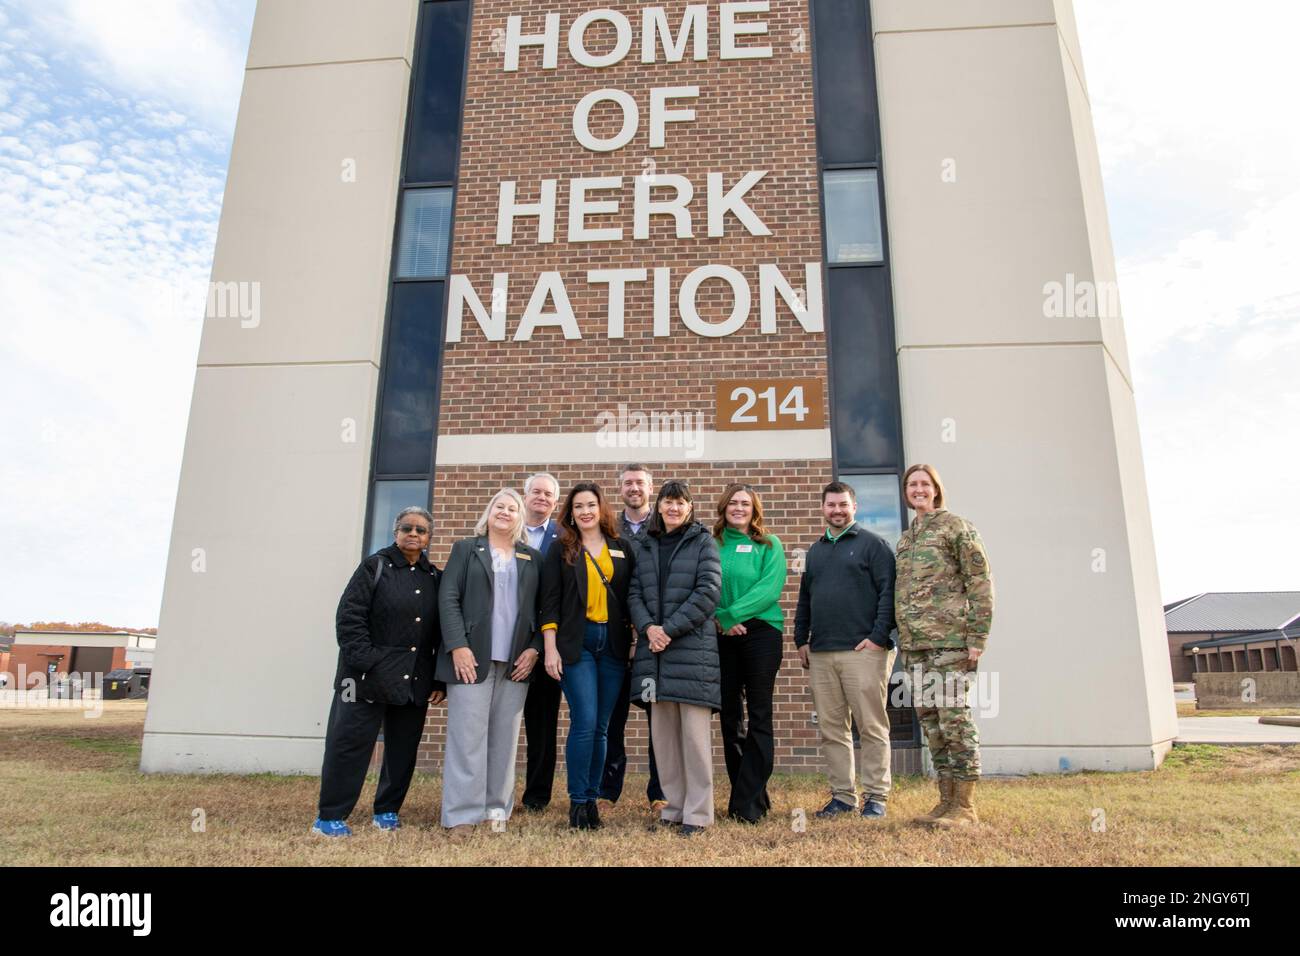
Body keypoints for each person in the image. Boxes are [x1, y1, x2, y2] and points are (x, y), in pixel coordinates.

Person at [312, 506, 445, 837]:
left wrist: (439, 678)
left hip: (414, 680)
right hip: (363, 680)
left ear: (429, 537)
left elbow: (442, 632)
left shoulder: (435, 578)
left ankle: (387, 811)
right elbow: (350, 617)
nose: (413, 534)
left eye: (421, 530)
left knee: (402, 749)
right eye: (407, 528)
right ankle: (329, 817)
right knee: (349, 745)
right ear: (396, 532)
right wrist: (367, 661)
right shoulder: (375, 566)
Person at [437, 488, 542, 837]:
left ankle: (496, 809)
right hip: (472, 656)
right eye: (500, 505)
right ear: (489, 511)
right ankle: (462, 815)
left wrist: (535, 648)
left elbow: (545, 610)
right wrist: (457, 646)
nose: (505, 512)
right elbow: (448, 598)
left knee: (504, 738)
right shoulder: (466, 550)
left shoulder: (531, 557)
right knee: (467, 737)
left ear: (520, 517)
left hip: (515, 661)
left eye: (513, 508)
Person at [895, 463, 994, 828]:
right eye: (912, 484)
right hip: (915, 646)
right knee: (932, 724)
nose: (918, 489)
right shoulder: (907, 539)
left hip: (950, 644)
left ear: (936, 489)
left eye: (924, 483)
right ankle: (945, 801)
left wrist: (976, 638)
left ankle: (965, 807)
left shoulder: (957, 527)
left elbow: (980, 583)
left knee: (956, 721)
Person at [794, 481, 897, 821]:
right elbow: (805, 598)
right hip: (822, 652)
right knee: (832, 729)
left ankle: (876, 797)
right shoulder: (816, 551)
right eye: (831, 505)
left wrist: (878, 637)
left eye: (843, 505)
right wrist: (801, 639)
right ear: (823, 509)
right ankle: (842, 797)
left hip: (864, 650)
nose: (837, 510)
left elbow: (888, 594)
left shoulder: (874, 546)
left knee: (871, 726)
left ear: (855, 507)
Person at [628, 480, 721, 836]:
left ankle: (698, 814)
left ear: (690, 507)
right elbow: (634, 592)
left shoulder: (703, 542)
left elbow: (708, 592)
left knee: (694, 740)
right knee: (663, 739)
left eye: (681, 502)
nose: (674, 508)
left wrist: (669, 629)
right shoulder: (644, 544)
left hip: (691, 652)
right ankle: (673, 808)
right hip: (654, 655)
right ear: (659, 506)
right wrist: (649, 628)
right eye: (668, 502)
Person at [539, 482, 635, 829]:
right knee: (585, 721)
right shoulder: (560, 549)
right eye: (578, 506)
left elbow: (630, 597)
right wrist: (550, 648)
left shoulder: (621, 547)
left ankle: (593, 799)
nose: (585, 512)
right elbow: (548, 601)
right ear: (570, 513)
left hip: (612, 643)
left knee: (603, 727)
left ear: (601, 508)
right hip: (575, 643)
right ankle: (578, 802)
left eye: (591, 505)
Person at [712, 483, 787, 823]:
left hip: (761, 632)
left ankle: (745, 804)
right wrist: (721, 619)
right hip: (722, 636)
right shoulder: (711, 544)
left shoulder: (769, 544)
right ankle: (752, 793)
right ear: (724, 507)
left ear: (754, 509)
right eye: (733, 503)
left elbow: (769, 589)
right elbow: (705, 586)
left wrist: (732, 615)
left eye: (745, 503)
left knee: (759, 716)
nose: (739, 508)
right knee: (730, 719)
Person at [599, 464, 666, 813]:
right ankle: (607, 792)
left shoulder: (665, 525)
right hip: (614, 638)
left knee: (658, 716)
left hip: (653, 640)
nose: (634, 488)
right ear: (620, 488)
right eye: (628, 483)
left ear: (651, 488)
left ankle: (660, 793)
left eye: (640, 482)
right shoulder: (607, 527)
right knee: (613, 717)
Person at [520, 473, 563, 811]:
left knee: (542, 722)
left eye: (548, 494)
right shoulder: (506, 528)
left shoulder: (562, 537)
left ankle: (537, 796)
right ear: (525, 495)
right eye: (536, 491)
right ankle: (493, 791)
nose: (542, 497)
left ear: (555, 501)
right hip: (505, 640)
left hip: (549, 640)